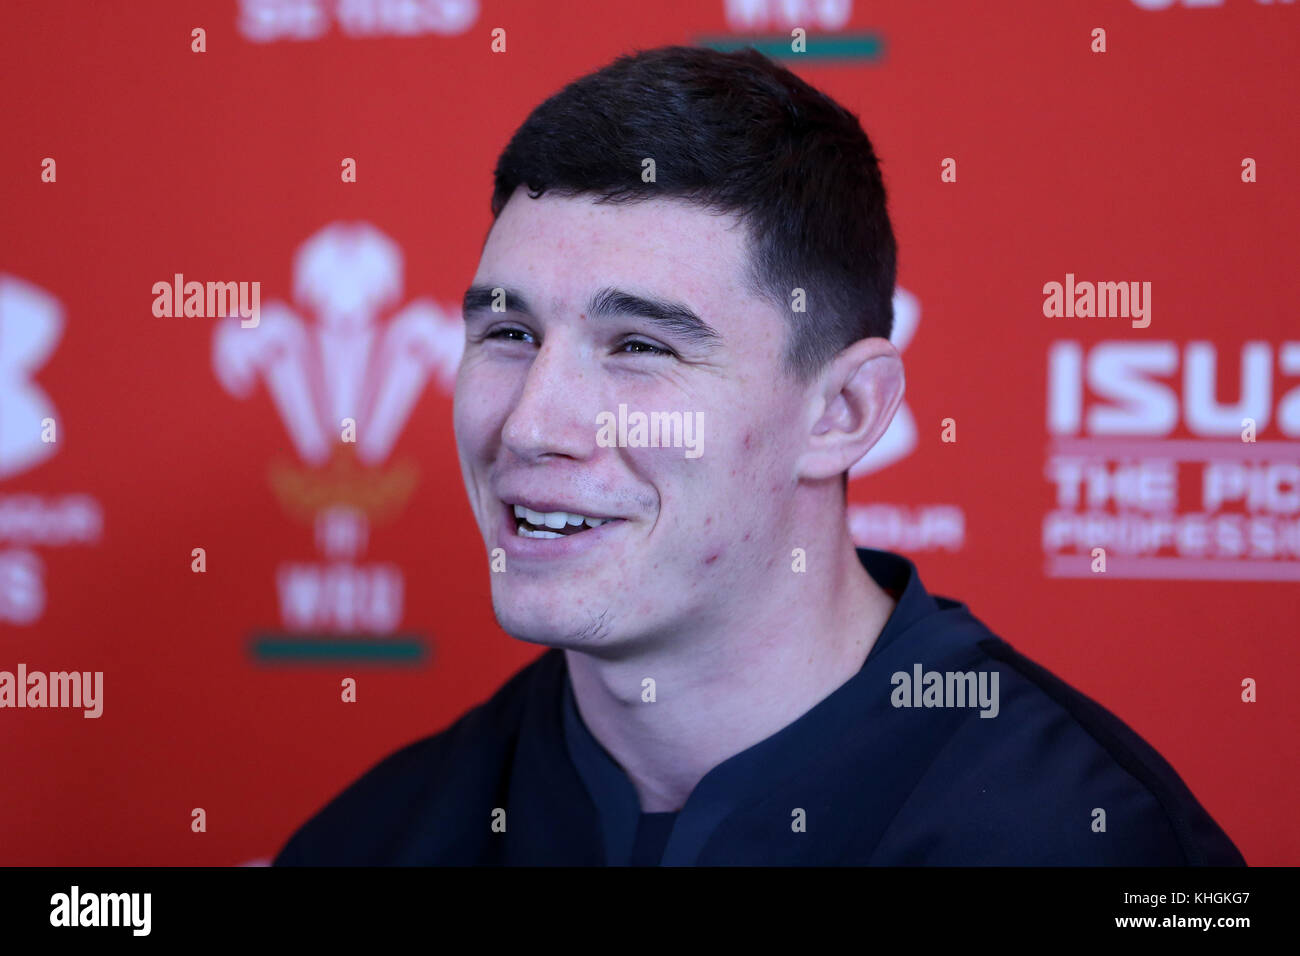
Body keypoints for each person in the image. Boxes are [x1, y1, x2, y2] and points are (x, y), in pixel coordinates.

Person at [274, 45, 1244, 866]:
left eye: (640, 347)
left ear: (843, 411)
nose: (530, 424)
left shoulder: (1082, 837)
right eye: (508, 333)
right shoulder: (381, 835)